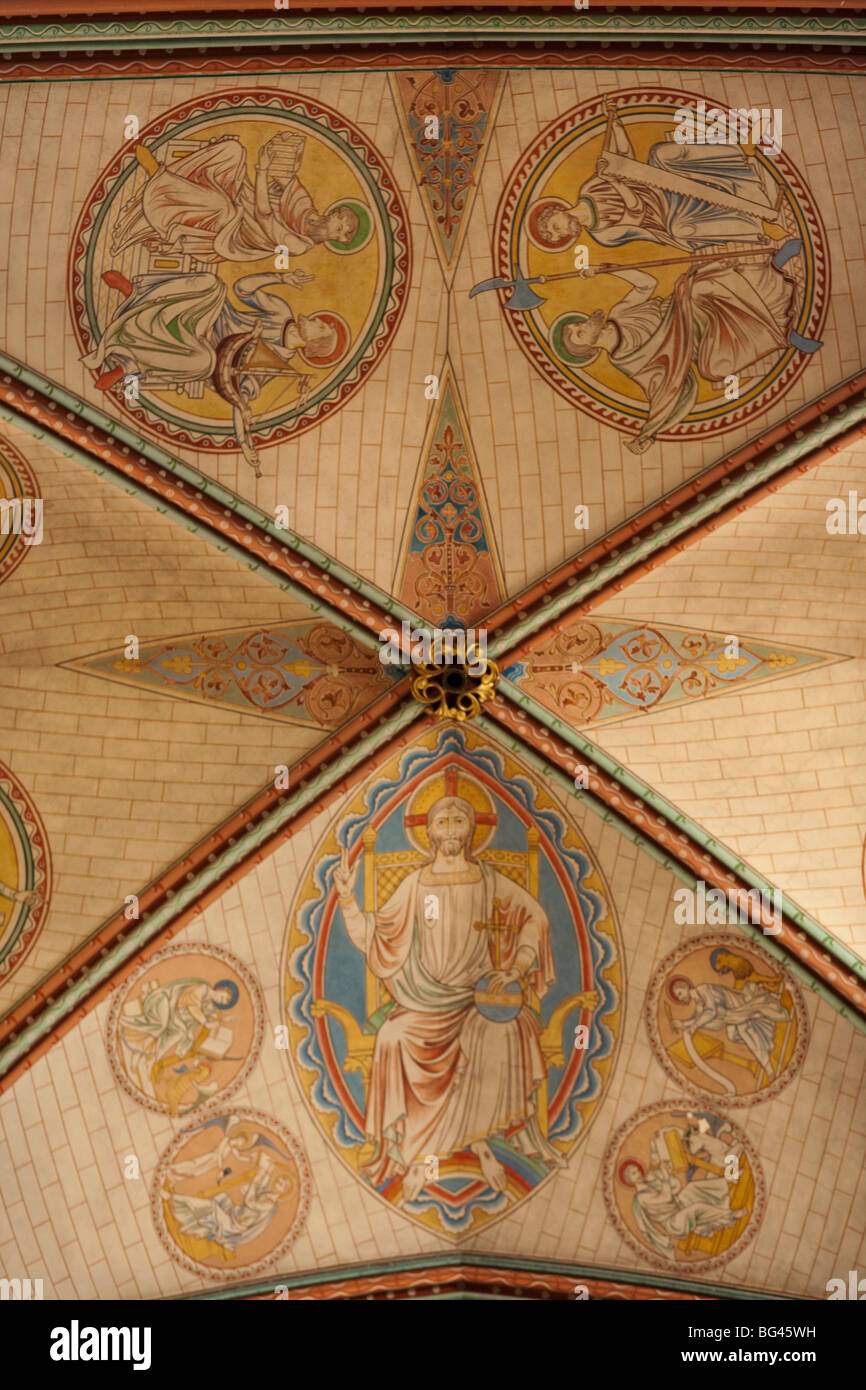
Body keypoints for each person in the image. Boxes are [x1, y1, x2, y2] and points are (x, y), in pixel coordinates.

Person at [332, 793, 561, 1199]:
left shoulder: (489, 880)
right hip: (422, 1001)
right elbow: (371, 936)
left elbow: (536, 917)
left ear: (471, 831)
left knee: (507, 1031)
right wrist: (348, 899)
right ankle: (419, 1154)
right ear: (429, 833)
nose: (451, 829)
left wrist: (518, 967)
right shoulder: (414, 885)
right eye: (443, 822)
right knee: (392, 1038)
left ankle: (480, 1144)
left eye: (459, 821)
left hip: (477, 999)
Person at [557, 255, 796, 452]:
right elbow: (663, 391)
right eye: (578, 333)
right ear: (588, 349)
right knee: (717, 365)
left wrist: (607, 268)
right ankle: (782, 331)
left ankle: (779, 265)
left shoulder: (619, 312)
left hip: (685, 305)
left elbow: (646, 284)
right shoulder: (627, 360)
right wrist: (649, 433)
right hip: (698, 341)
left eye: (576, 325)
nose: (582, 325)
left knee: (699, 285)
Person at [531, 97, 785, 257]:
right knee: (683, 229)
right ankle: (759, 226)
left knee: (662, 153)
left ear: (560, 210)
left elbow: (624, 161)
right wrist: (615, 182)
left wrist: (616, 123)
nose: (563, 232)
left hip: (654, 181)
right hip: (666, 217)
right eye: (559, 236)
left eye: (556, 226)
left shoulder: (588, 188)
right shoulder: (603, 236)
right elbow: (637, 211)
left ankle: (739, 156)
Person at [111, 135, 360, 264]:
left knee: (222, 208)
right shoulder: (307, 208)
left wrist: (262, 170)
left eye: (337, 231)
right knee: (232, 150)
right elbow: (285, 178)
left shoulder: (298, 246)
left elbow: (264, 216)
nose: (330, 225)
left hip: (235, 234)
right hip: (244, 199)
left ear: (336, 239)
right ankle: (172, 179)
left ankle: (158, 181)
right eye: (336, 220)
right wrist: (285, 151)